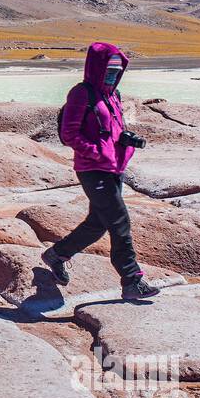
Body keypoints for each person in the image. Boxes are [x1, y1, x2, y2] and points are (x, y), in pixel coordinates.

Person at [41, 42, 161, 300]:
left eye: (117, 71)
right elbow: (69, 135)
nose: (113, 75)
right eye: (109, 70)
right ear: (97, 67)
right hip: (93, 169)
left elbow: (111, 129)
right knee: (120, 224)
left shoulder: (113, 95)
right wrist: (97, 152)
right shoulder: (81, 94)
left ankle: (56, 254)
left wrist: (126, 140)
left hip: (114, 167)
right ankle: (132, 280)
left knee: (97, 224)